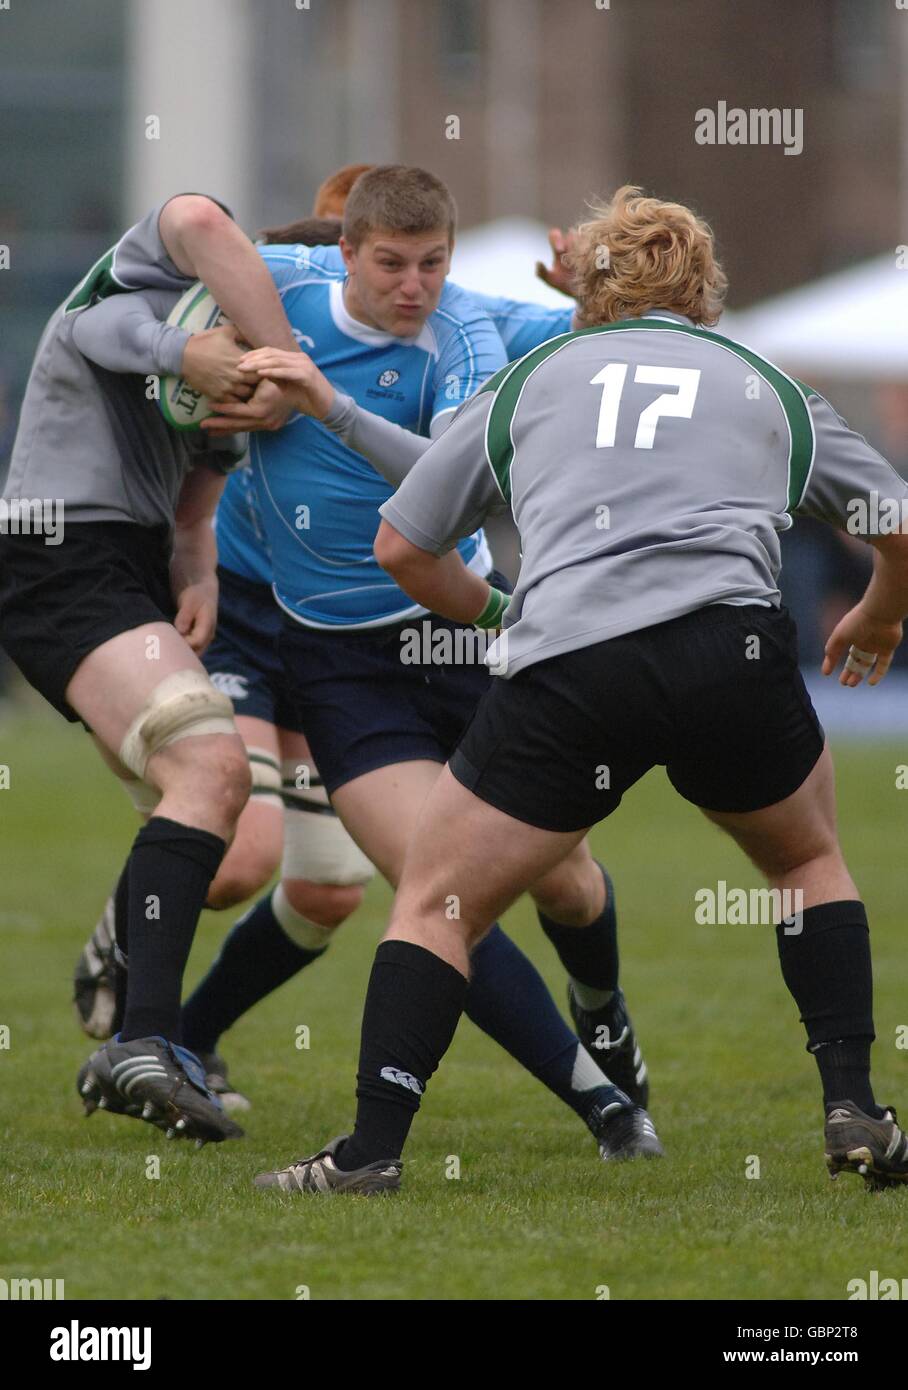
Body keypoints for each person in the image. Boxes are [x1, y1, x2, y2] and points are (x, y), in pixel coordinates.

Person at [251, 184, 908, 1195]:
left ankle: (369, 1154)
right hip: (728, 652)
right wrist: (878, 614)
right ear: (704, 288)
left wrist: (498, 613)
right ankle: (852, 1106)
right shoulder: (762, 380)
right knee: (807, 861)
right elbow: (894, 518)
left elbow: (402, 547)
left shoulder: (535, 377)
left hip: (572, 663)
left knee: (434, 903)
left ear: (588, 288)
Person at [188, 165, 658, 1158]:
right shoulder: (280, 286)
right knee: (436, 892)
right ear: (344, 252)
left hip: (464, 633)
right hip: (339, 662)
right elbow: (170, 265)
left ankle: (602, 1007)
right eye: (391, 264)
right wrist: (192, 360)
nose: (414, 286)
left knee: (568, 883)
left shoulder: (468, 328)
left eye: (432, 263)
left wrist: (598, 288)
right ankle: (606, 1107)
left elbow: (452, 480)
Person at [0, 192, 303, 1143]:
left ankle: (123, 967)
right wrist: (272, 360)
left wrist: (198, 571)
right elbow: (197, 223)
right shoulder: (121, 295)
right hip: (58, 551)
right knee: (213, 767)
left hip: (132, 564)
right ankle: (149, 1043)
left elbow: (197, 495)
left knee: (225, 846)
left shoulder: (220, 354)